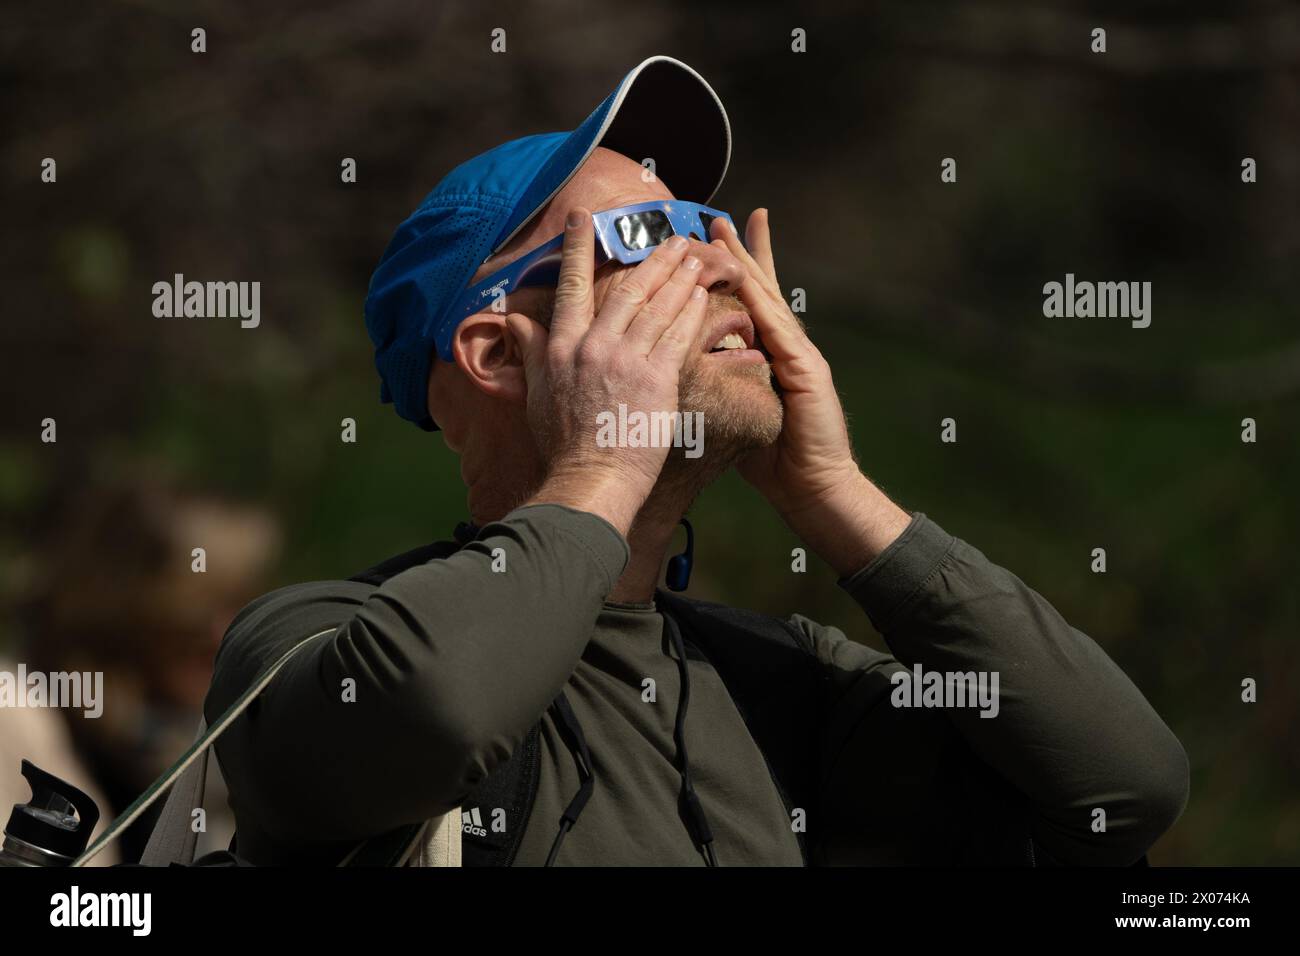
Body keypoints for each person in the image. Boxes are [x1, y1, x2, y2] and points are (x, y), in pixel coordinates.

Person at [205, 56, 1188, 866]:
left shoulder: (781, 683)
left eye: (703, 229)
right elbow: (437, 714)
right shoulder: (311, 640)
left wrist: (834, 495)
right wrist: (602, 467)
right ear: (499, 354)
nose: (718, 267)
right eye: (647, 236)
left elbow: (1120, 785)